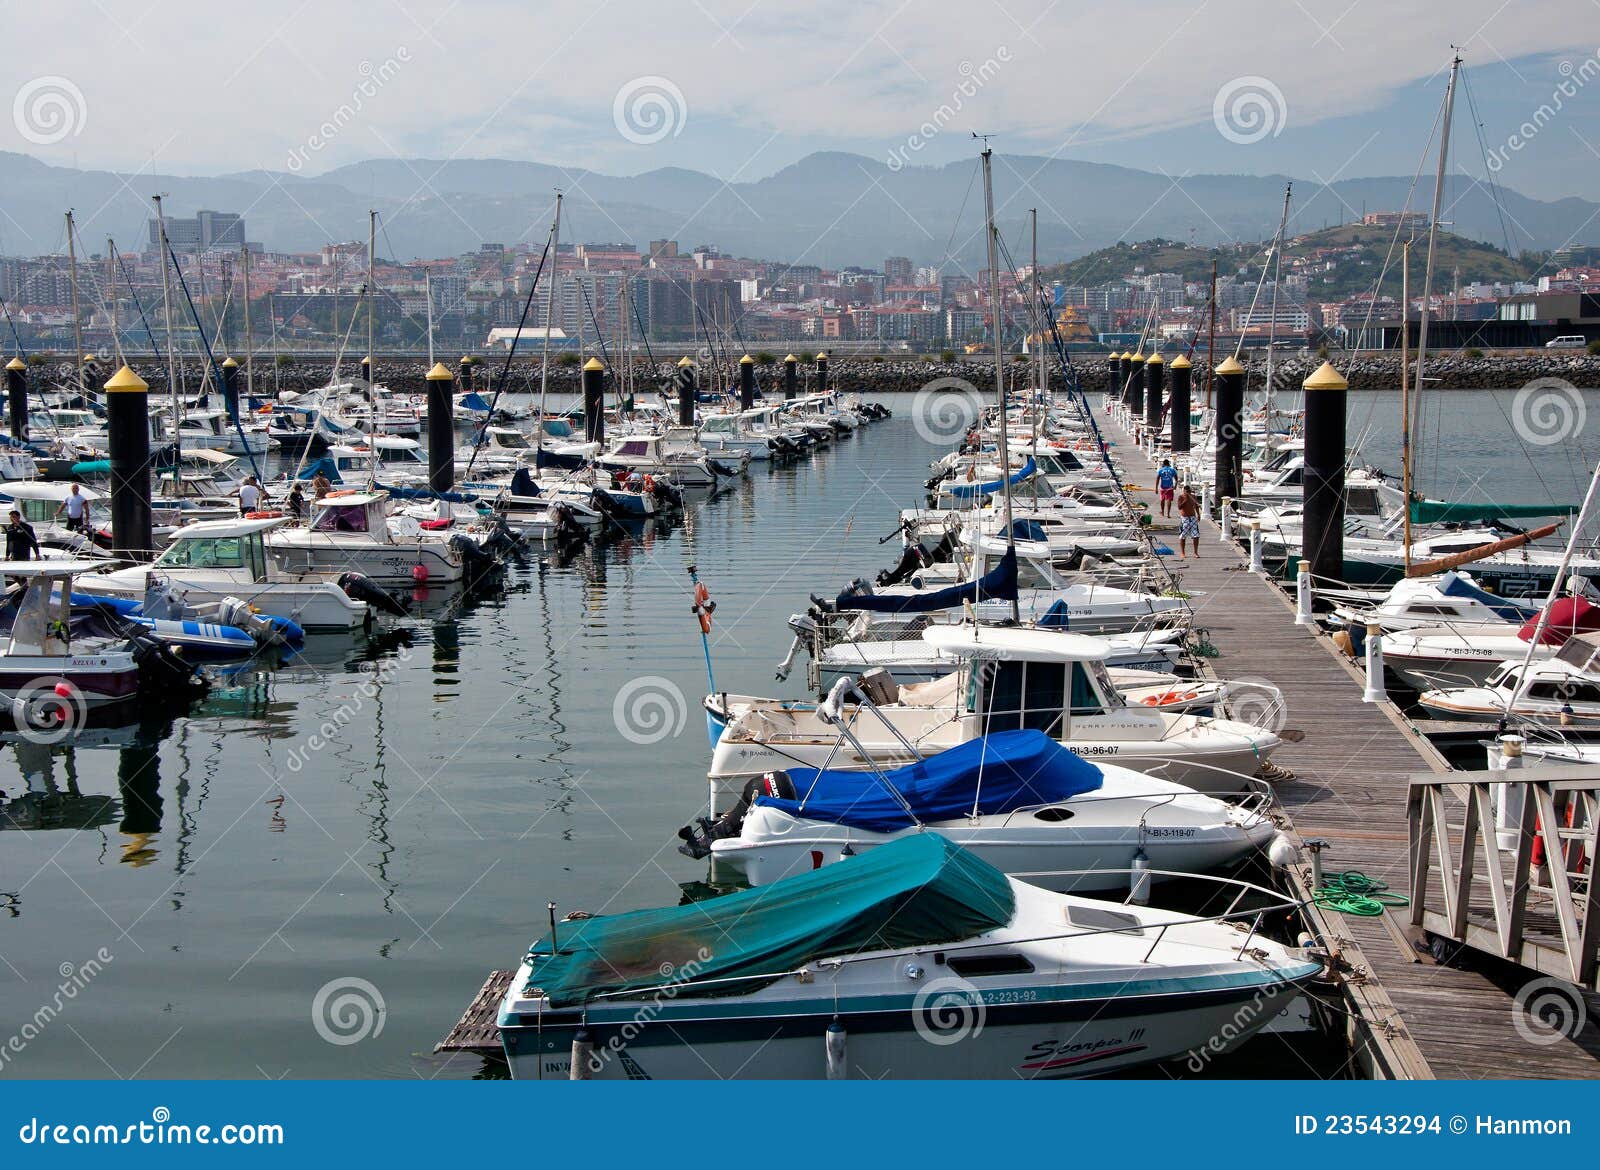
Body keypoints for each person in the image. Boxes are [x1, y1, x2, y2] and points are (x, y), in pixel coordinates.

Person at [1176, 485, 1201, 559]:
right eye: (1187, 492)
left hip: (1193, 518)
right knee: (1183, 536)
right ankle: (1183, 553)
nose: (1188, 493)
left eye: (1189, 491)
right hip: (1185, 518)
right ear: (1184, 491)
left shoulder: (1193, 497)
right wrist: (1185, 500)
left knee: (1196, 535)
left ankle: (1196, 552)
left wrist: (1198, 515)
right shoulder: (1181, 497)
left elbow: (1196, 506)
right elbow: (1179, 507)